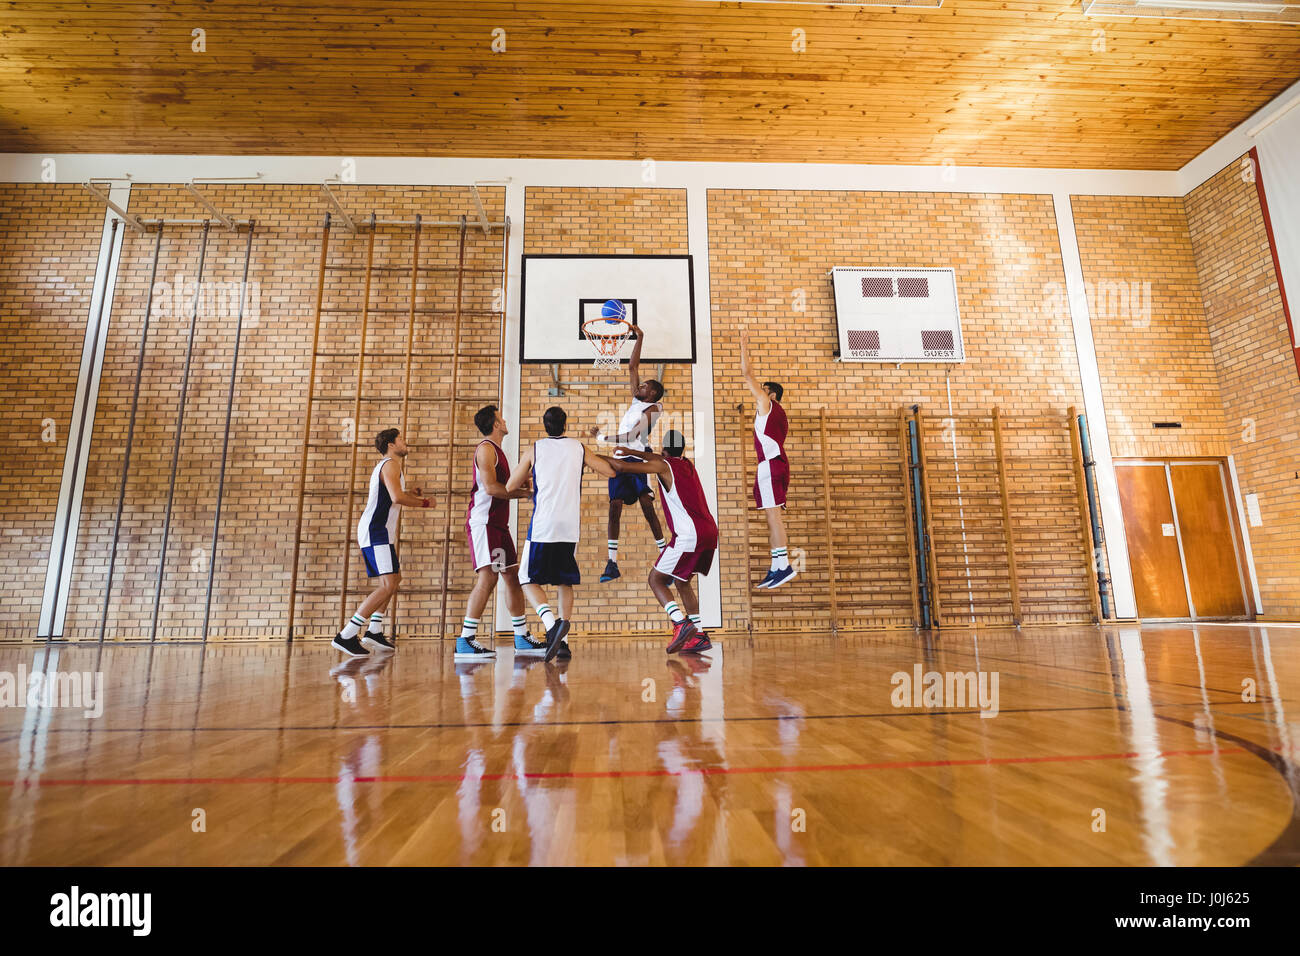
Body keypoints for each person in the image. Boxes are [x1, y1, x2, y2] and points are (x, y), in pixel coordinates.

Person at [506, 406, 616, 662]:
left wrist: (528, 484)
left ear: (544, 426)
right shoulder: (578, 448)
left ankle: (551, 625)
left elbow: (510, 486)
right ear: (565, 425)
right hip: (569, 526)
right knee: (563, 581)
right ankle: (563, 643)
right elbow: (610, 471)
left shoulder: (534, 449)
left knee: (525, 576)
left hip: (544, 524)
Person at [605, 430, 716, 655]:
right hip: (709, 532)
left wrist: (596, 457)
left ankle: (680, 622)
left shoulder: (663, 466)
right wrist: (630, 451)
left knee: (655, 579)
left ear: (664, 449)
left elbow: (623, 468)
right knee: (682, 582)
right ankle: (699, 634)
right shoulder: (686, 464)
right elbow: (654, 458)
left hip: (688, 535)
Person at [456, 404, 547, 663]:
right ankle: (466, 639)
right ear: (496, 424)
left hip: (498, 525)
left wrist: (529, 479)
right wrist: (525, 493)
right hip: (484, 523)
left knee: (511, 576)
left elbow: (507, 483)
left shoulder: (498, 451)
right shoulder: (486, 449)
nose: (505, 420)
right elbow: (492, 489)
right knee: (488, 578)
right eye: (501, 418)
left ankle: (521, 636)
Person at [333, 428, 433, 656]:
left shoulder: (390, 467)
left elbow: (393, 494)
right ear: (390, 444)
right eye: (401, 439)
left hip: (381, 532)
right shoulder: (390, 465)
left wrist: (411, 491)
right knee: (388, 584)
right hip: (375, 530)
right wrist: (424, 502)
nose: (405, 442)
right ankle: (347, 634)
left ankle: (374, 631)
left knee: (395, 579)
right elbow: (397, 498)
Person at [587, 324, 666, 582]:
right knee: (614, 507)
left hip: (636, 457)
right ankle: (612, 563)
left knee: (646, 506)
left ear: (652, 392)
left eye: (644, 385)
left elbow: (632, 437)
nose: (639, 386)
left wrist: (602, 438)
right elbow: (632, 367)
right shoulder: (636, 401)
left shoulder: (655, 408)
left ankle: (665, 555)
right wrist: (639, 337)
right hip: (622, 458)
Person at [739, 330, 796, 589]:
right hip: (774, 465)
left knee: (774, 518)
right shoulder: (779, 415)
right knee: (771, 517)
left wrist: (743, 343)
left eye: (763, 390)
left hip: (771, 465)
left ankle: (783, 565)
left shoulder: (768, 405)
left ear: (771, 394)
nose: (758, 393)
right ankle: (776, 566)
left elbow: (747, 374)